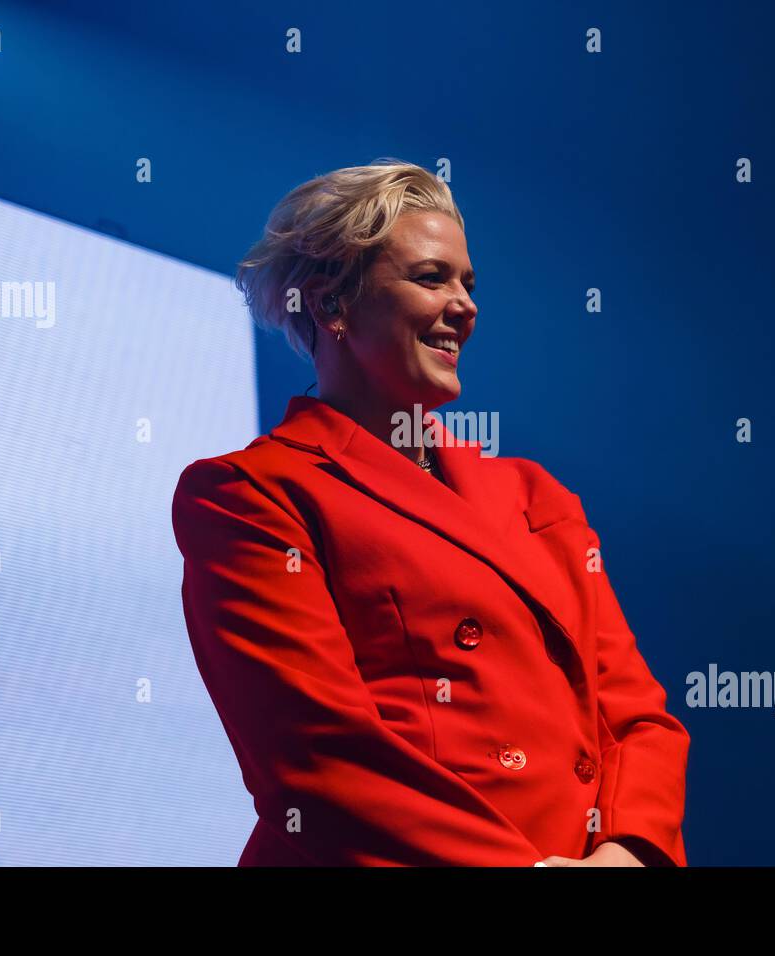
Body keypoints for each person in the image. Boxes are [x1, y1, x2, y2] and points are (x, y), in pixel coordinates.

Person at [171, 159, 690, 866]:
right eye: (430, 278)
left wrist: (626, 855)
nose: (465, 305)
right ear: (330, 307)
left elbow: (638, 717)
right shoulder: (253, 494)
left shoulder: (537, 496)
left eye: (469, 284)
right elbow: (319, 752)